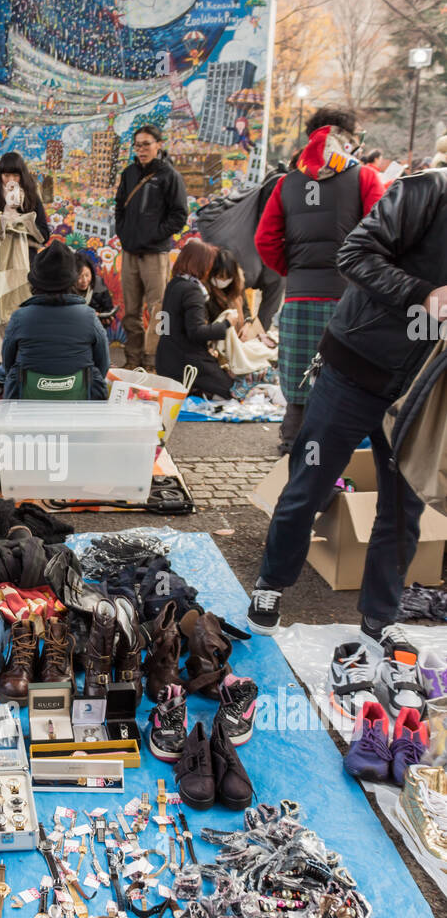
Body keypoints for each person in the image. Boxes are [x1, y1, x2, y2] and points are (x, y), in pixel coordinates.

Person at [247, 168, 447, 641]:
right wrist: (423, 294)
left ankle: (380, 616)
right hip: (356, 366)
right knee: (309, 485)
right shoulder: (425, 192)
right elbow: (353, 253)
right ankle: (271, 583)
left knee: (403, 510)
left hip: (418, 391)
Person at [254, 108, 384, 453]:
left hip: (299, 297)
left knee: (300, 376)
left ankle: (293, 445)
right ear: (347, 137)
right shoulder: (366, 177)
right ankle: (338, 451)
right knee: (346, 376)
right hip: (350, 298)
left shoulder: (287, 182)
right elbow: (383, 234)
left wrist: (294, 270)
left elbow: (265, 241)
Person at [114, 124, 188, 369]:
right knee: (131, 312)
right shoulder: (129, 173)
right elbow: (119, 207)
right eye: (138, 145)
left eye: (147, 144)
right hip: (130, 252)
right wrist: (124, 234)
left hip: (155, 254)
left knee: (158, 311)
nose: (142, 149)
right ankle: (132, 360)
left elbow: (179, 216)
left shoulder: (170, 176)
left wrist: (154, 235)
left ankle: (152, 362)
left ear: (159, 144)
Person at [1, 240, 110, 399]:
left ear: (35, 283)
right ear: (72, 282)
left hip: (27, 399)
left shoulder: (20, 317)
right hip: (80, 397)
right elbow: (103, 364)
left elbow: (7, 364)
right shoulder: (89, 315)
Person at [0, 152, 49, 363]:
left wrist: (23, 222)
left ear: (22, 176)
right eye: (6, 175)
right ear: (0, 176)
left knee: (23, 312)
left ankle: (27, 357)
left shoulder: (32, 200)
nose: (11, 180)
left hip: (26, 270)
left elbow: (45, 234)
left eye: (15, 175)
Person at [154, 240, 234, 399]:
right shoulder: (192, 291)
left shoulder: (175, 284)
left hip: (165, 360)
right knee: (230, 389)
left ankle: (195, 389)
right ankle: (197, 388)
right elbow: (196, 332)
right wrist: (226, 324)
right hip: (186, 362)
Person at [74, 248, 115, 318]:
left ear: (92, 273)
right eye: (79, 277)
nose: (84, 280)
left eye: (87, 275)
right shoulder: (66, 289)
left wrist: (99, 315)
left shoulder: (98, 285)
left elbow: (108, 310)